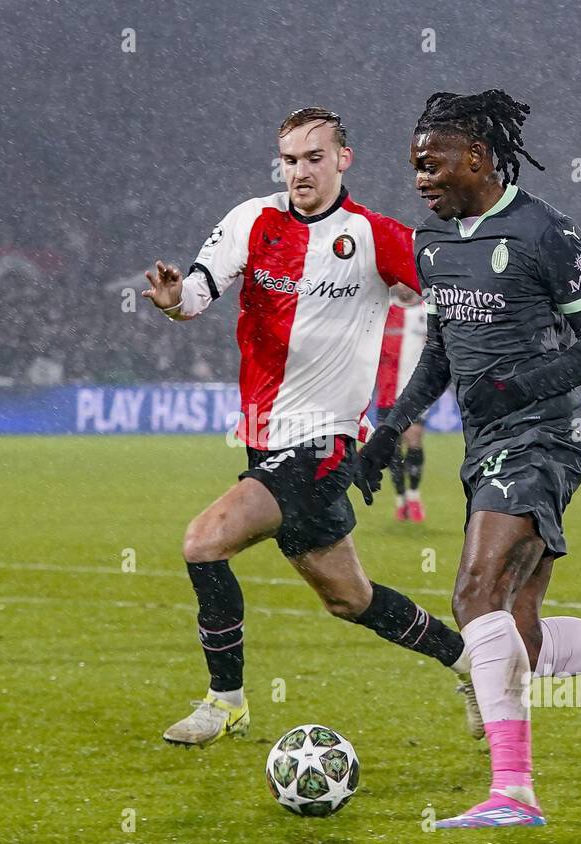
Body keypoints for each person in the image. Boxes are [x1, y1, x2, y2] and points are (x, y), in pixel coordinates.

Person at [359, 89, 581, 828]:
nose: (421, 178)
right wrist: (390, 428)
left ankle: (513, 791)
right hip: (487, 444)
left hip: (545, 439)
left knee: (472, 593)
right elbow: (441, 348)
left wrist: (517, 384)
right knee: (519, 639)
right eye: (414, 167)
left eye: (432, 164)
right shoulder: (433, 241)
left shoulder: (545, 232)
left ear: (480, 158)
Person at [142, 108, 481, 748]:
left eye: (313, 158)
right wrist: (172, 300)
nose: (300, 171)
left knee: (204, 542)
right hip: (265, 441)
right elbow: (196, 293)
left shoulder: (376, 238)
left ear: (343, 159)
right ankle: (470, 663)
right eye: (291, 160)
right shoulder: (253, 220)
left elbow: (456, 286)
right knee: (349, 599)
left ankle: (225, 701)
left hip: (324, 445)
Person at [375, 286, 431, 521]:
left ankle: (414, 496)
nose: (403, 286)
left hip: (414, 393)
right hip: (386, 393)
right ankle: (401, 500)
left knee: (414, 439)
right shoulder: (383, 311)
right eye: (399, 282)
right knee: (393, 449)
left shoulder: (426, 312)